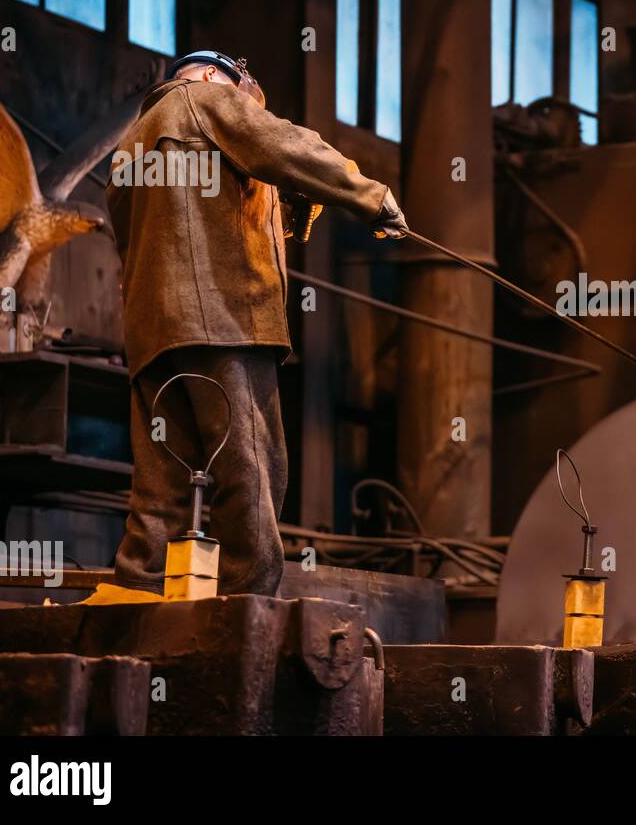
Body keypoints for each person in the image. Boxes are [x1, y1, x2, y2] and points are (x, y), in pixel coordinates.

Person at [87, 51, 408, 603]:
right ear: (215, 74)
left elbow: (183, 219)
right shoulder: (209, 99)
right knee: (251, 469)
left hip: (154, 335)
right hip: (224, 320)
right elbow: (285, 146)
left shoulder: (129, 146)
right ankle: (245, 605)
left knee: (160, 486)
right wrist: (371, 197)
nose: (247, 106)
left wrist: (292, 203)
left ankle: (135, 600)